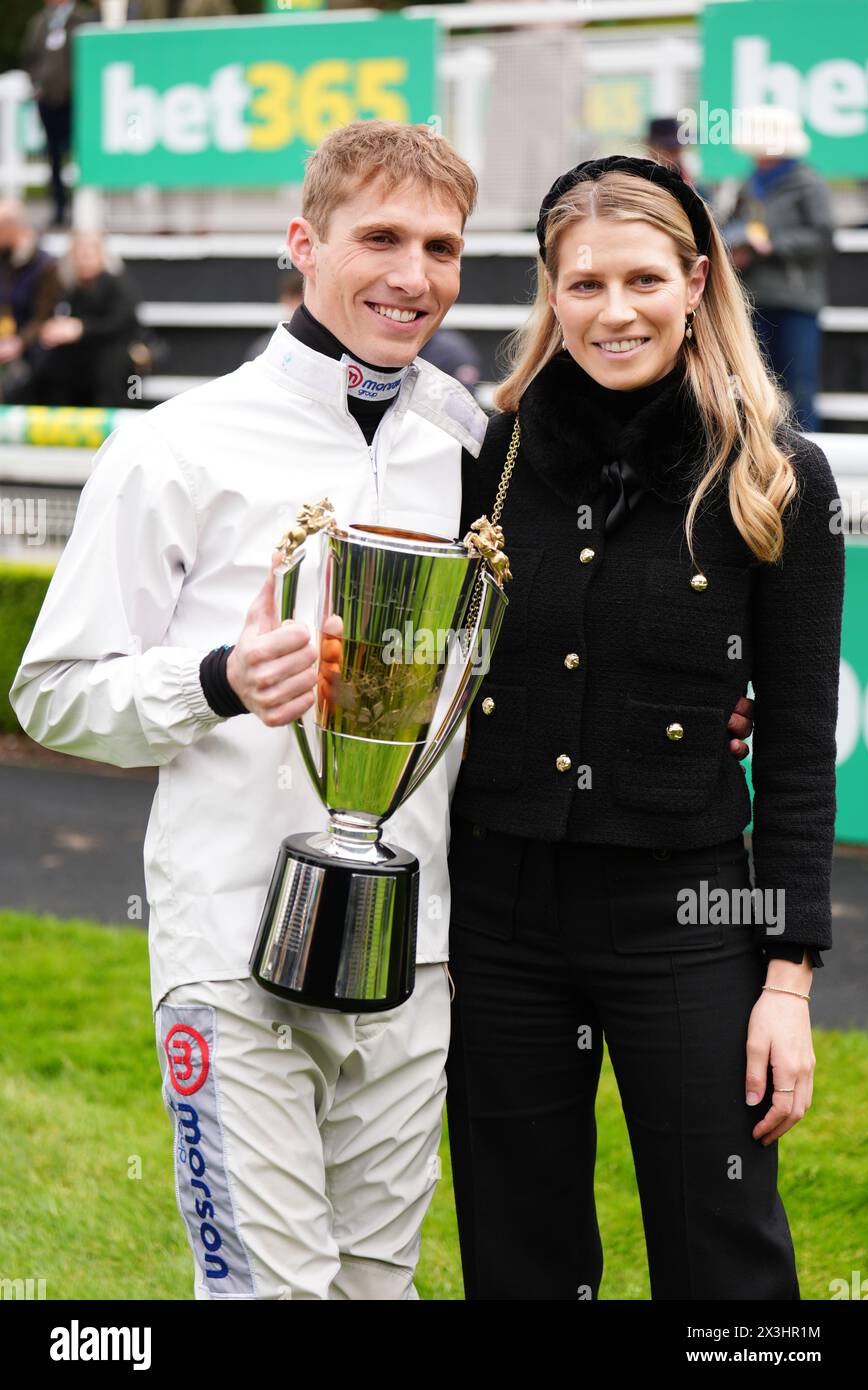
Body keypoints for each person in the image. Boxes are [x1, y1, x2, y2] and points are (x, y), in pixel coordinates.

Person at [10, 121, 486, 1301]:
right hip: (230, 950)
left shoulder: (470, 448)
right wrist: (217, 678)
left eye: (441, 246)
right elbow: (52, 692)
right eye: (379, 236)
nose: (411, 275)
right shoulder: (177, 442)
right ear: (301, 244)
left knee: (380, 1289)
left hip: (413, 955)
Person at [445, 155, 844, 1300]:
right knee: (518, 1254)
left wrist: (787, 981)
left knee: (723, 1254)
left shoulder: (775, 474)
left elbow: (800, 748)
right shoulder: (491, 458)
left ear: (695, 280)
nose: (613, 311)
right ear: (548, 293)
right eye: (582, 284)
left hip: (689, 915)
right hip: (501, 918)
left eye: (641, 279)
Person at [721, 106, 835, 432]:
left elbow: (823, 236)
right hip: (754, 298)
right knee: (754, 381)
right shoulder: (749, 185)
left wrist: (774, 245)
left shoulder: (808, 184)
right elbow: (733, 225)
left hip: (795, 301)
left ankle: (810, 458)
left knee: (800, 384)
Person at [16, 230, 142, 407]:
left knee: (112, 364)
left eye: (89, 254)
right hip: (82, 358)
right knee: (49, 366)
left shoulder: (116, 284)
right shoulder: (72, 288)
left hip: (116, 358)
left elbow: (123, 323)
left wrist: (82, 328)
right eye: (79, 254)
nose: (84, 260)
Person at [20, 0, 95, 229]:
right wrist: (37, 84)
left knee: (80, 154)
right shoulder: (40, 22)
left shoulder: (81, 18)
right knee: (53, 156)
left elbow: (89, 54)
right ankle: (59, 206)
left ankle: (81, 207)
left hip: (75, 100)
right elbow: (30, 57)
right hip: (48, 100)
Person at [0, 198, 60, 400]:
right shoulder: (3, 260)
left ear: (13, 228)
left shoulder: (44, 266)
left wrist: (19, 342)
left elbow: (44, 316)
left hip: (30, 347)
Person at [244, 269, 304, 363]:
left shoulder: (265, 346)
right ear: (284, 300)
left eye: (303, 299)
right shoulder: (265, 347)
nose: (301, 305)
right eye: (296, 299)